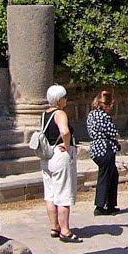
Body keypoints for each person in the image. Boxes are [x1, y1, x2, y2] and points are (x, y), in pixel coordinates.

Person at [40, 85, 79, 242]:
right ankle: (65, 230)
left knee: (50, 194)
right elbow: (64, 131)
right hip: (59, 154)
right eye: (65, 97)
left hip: (46, 155)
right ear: (59, 99)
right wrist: (67, 145)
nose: (66, 99)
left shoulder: (44, 114)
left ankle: (54, 226)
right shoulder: (60, 113)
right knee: (63, 193)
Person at [87, 89, 122, 216]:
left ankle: (111, 204)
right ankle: (100, 206)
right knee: (105, 176)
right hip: (105, 149)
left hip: (95, 148)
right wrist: (118, 137)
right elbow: (113, 133)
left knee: (113, 175)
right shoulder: (104, 117)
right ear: (106, 105)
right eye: (110, 105)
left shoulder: (91, 115)